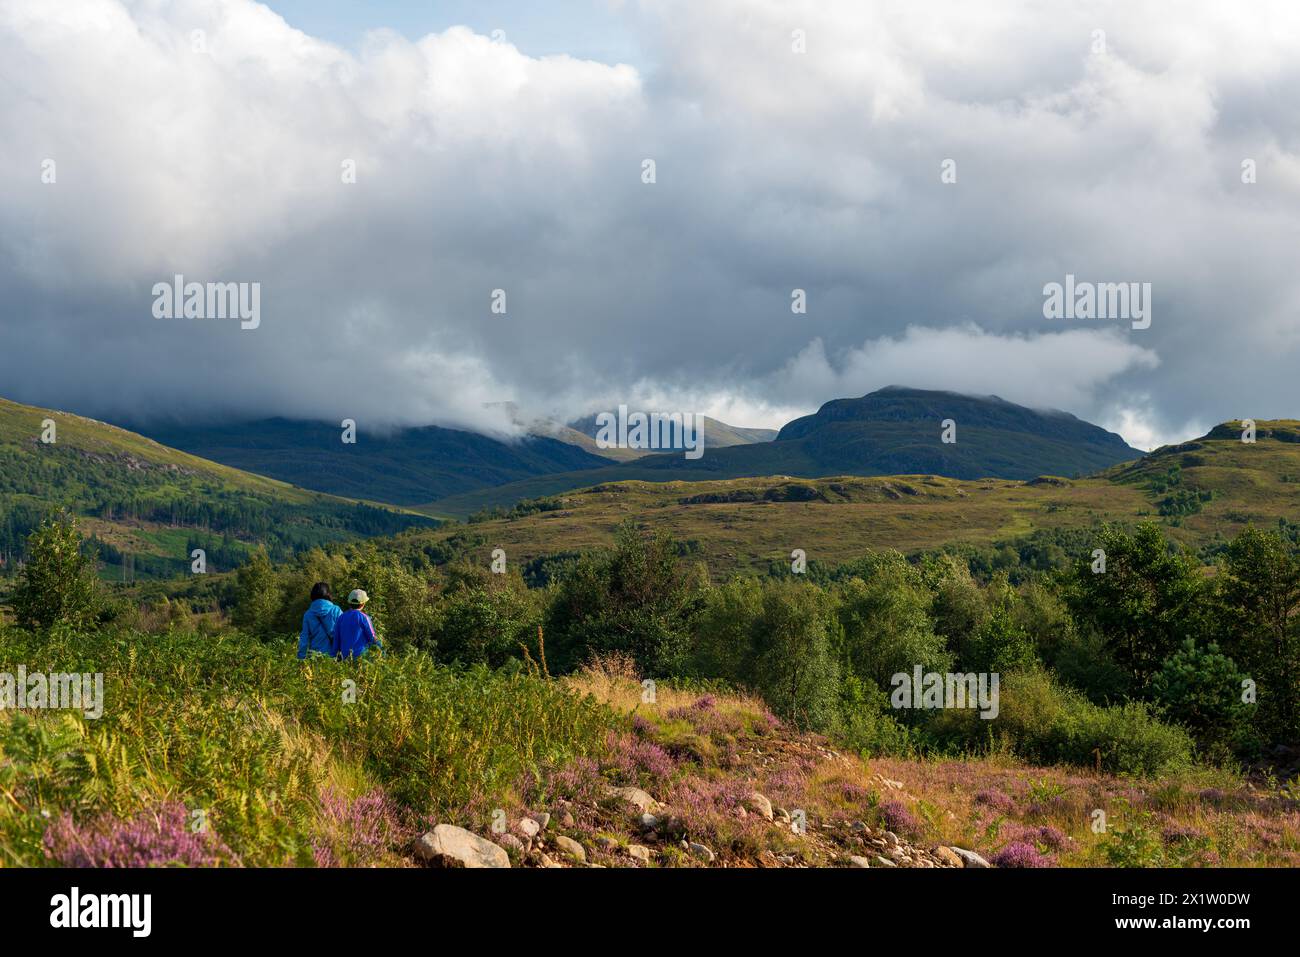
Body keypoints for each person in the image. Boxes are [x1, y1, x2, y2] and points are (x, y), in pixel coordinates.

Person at [298, 582, 342, 660]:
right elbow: (344, 633)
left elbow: (304, 638)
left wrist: (301, 657)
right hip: (333, 655)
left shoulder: (308, 614)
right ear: (328, 594)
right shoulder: (336, 610)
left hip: (314, 656)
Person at [335, 589, 382, 659]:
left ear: (349, 602)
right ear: (363, 604)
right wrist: (381, 650)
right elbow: (372, 637)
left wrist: (333, 655)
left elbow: (336, 639)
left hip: (344, 657)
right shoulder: (364, 618)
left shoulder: (341, 617)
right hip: (361, 658)